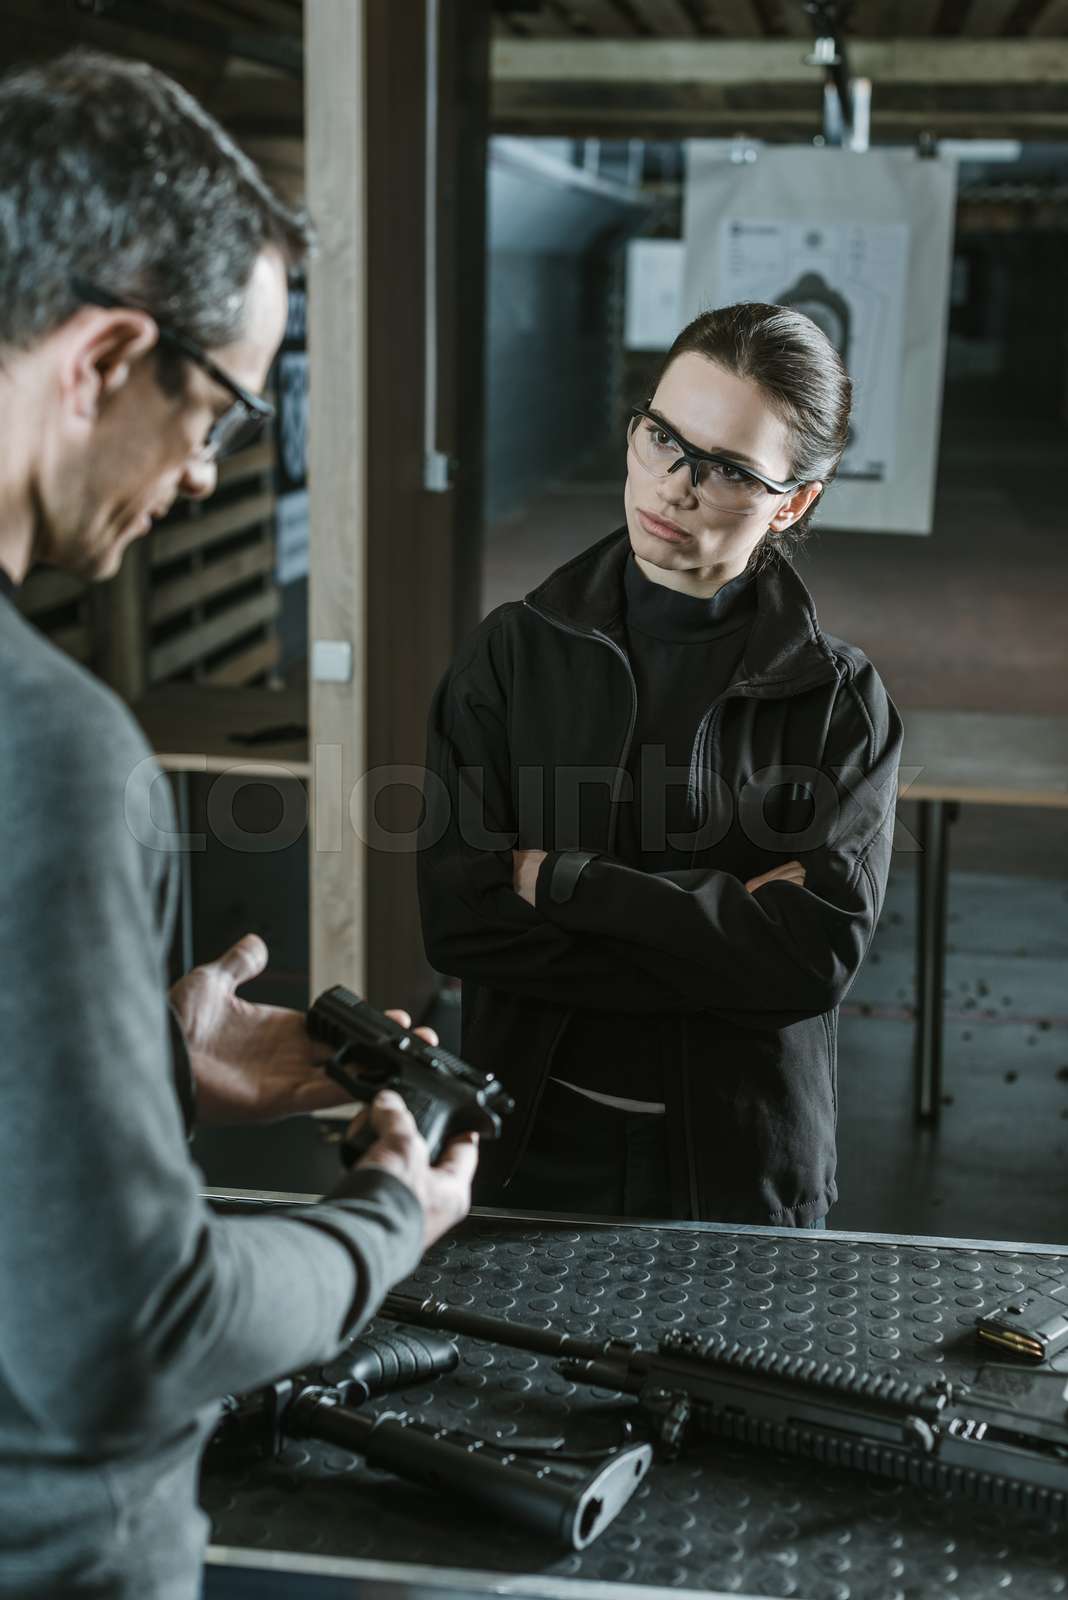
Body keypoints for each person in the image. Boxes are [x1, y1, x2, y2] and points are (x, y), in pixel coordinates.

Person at [0, 51, 477, 1599]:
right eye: (214, 409)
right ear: (103, 357)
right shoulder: (52, 750)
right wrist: (388, 1219)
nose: (207, 473)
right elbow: (133, 1330)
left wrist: (132, 1066)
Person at [419, 301, 903, 1227]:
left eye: (728, 469)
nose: (675, 486)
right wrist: (725, 934)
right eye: (662, 439)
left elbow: (811, 962)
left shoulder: (839, 702)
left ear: (793, 502)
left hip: (743, 1171)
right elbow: (461, 923)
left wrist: (560, 881)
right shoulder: (512, 657)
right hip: (526, 1154)